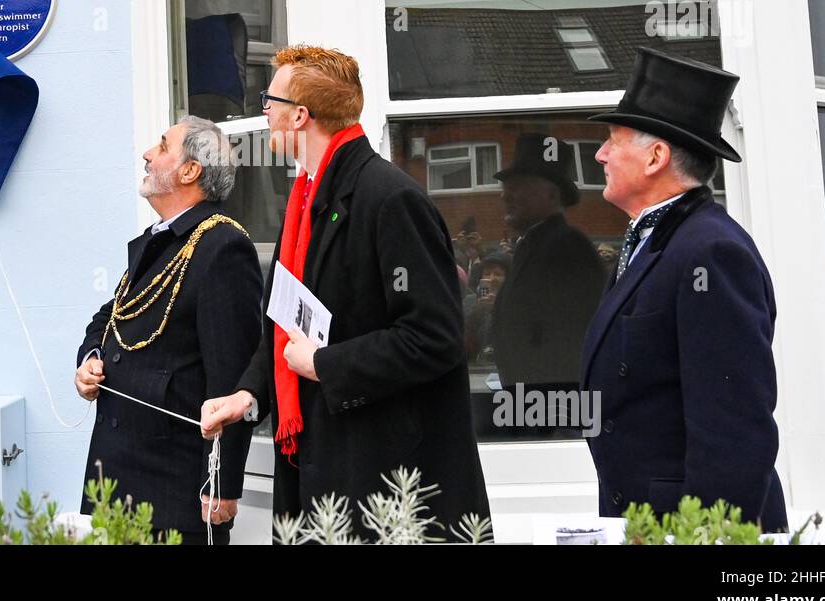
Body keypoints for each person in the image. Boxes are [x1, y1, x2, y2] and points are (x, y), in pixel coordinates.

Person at [199, 45, 490, 539]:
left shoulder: (389, 198)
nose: (263, 112)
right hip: (325, 467)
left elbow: (435, 337)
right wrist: (247, 392)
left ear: (300, 116)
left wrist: (326, 364)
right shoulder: (306, 197)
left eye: (270, 101)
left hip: (388, 482)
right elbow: (287, 322)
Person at [581, 47, 787, 530]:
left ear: (656, 156)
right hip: (645, 522)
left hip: (691, 529)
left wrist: (711, 541)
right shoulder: (658, 238)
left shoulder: (711, 253)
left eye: (613, 141)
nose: (601, 154)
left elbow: (733, 431)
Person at [74, 116, 262, 545]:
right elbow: (112, 315)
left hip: (172, 492)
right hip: (115, 480)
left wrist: (223, 485)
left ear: (190, 170)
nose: (147, 154)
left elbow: (232, 376)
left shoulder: (222, 246)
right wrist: (90, 360)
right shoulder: (160, 240)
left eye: (161, 146)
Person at [487, 134, 606, 422]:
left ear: (552, 194)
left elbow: (570, 346)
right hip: (531, 414)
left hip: (553, 420)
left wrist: (555, 424)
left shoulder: (567, 247)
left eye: (517, 187)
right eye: (506, 187)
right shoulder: (533, 245)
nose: (506, 196)